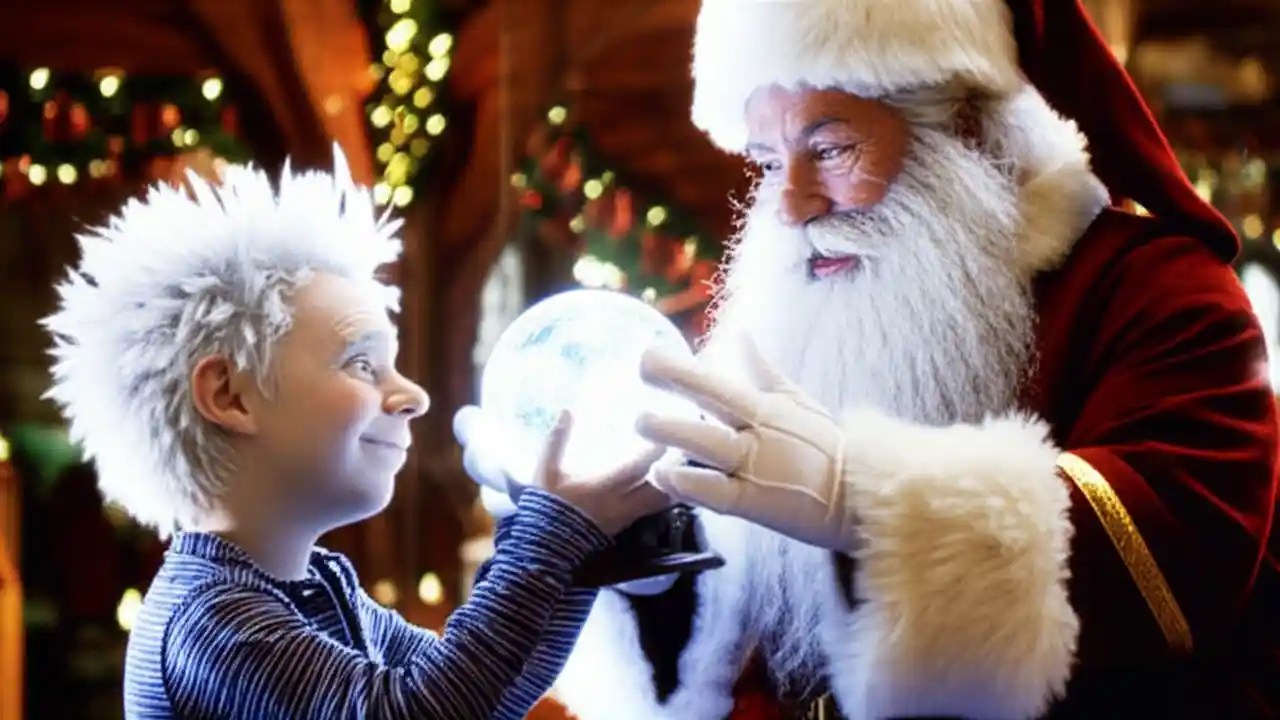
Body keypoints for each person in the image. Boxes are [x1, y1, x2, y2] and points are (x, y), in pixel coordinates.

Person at [455, 0, 1280, 717]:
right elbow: (739, 651)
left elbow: (1175, 564)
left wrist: (868, 501)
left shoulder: (1161, 294)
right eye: (768, 160)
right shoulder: (800, 308)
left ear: (967, 130)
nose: (792, 203)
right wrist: (637, 552)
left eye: (831, 149)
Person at [40, 152, 667, 720]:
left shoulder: (313, 582)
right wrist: (549, 538)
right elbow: (423, 712)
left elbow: (483, 692)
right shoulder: (210, 620)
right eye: (363, 364)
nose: (414, 395)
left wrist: (575, 555)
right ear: (230, 395)